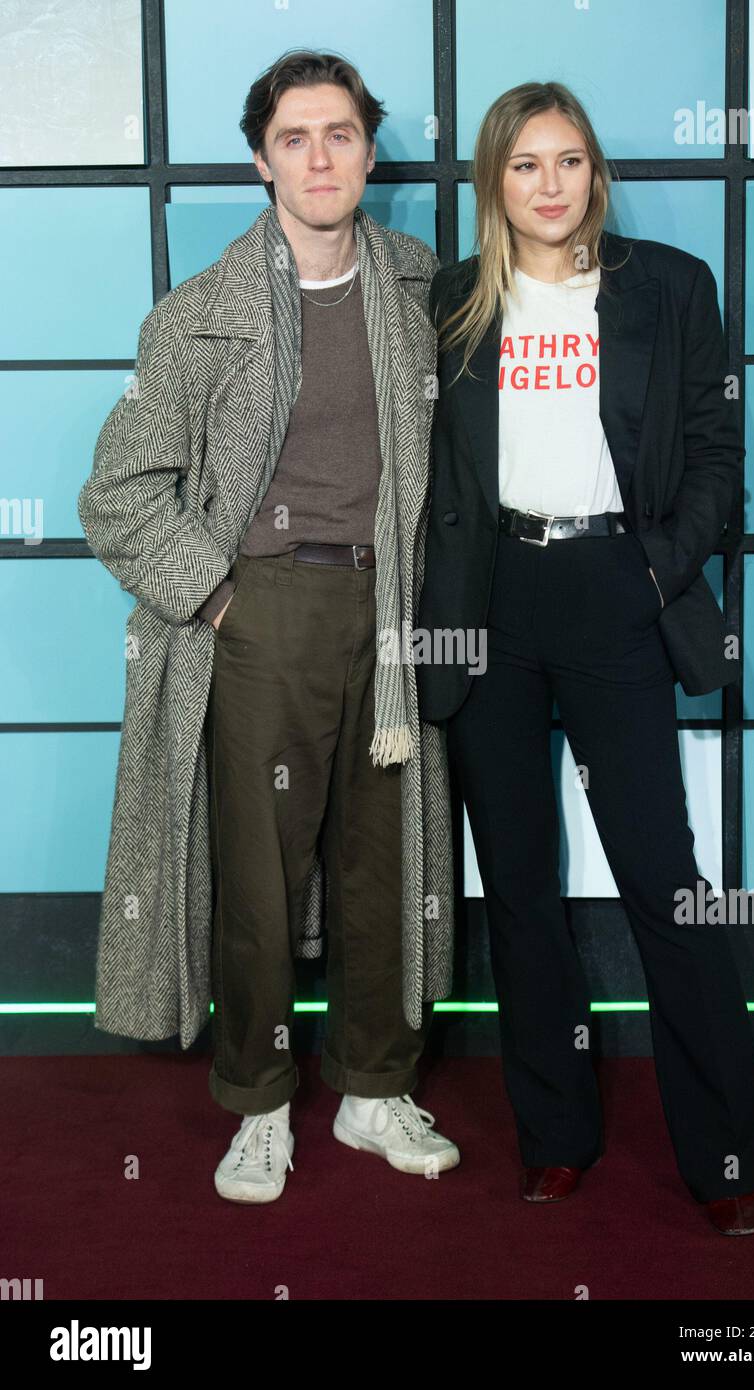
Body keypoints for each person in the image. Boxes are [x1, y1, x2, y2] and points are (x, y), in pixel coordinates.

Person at [78, 49, 458, 1204]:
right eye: (294, 138)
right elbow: (118, 492)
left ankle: (374, 1090)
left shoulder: (418, 284)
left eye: (339, 133)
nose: (319, 156)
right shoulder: (200, 314)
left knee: (381, 862)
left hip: (391, 608)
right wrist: (223, 599)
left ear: (369, 150)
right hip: (260, 608)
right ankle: (257, 1104)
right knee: (254, 874)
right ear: (260, 158)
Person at [415, 81, 754, 1234]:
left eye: (567, 160)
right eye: (524, 165)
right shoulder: (454, 301)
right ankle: (554, 1135)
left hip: (617, 589)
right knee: (517, 887)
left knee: (664, 879)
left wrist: (657, 569)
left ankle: (723, 1156)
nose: (549, 184)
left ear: (594, 173)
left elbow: (716, 454)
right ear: (492, 183)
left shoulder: (666, 287)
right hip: (494, 602)